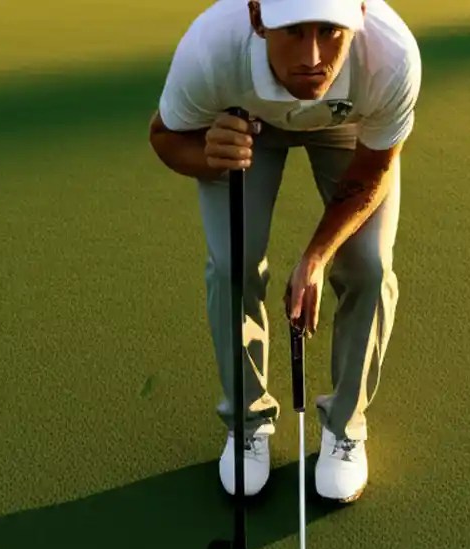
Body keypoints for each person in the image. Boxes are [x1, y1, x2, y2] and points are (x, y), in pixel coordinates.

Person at [147, 0, 422, 503]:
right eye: (292, 30)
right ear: (256, 16)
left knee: (368, 265)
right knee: (234, 261)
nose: (313, 55)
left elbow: (376, 166)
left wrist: (316, 257)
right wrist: (208, 152)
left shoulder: (393, 54)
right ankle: (248, 422)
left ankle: (345, 426)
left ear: (359, 14)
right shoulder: (212, 47)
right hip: (243, 122)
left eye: (331, 30)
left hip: (347, 124)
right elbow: (164, 137)